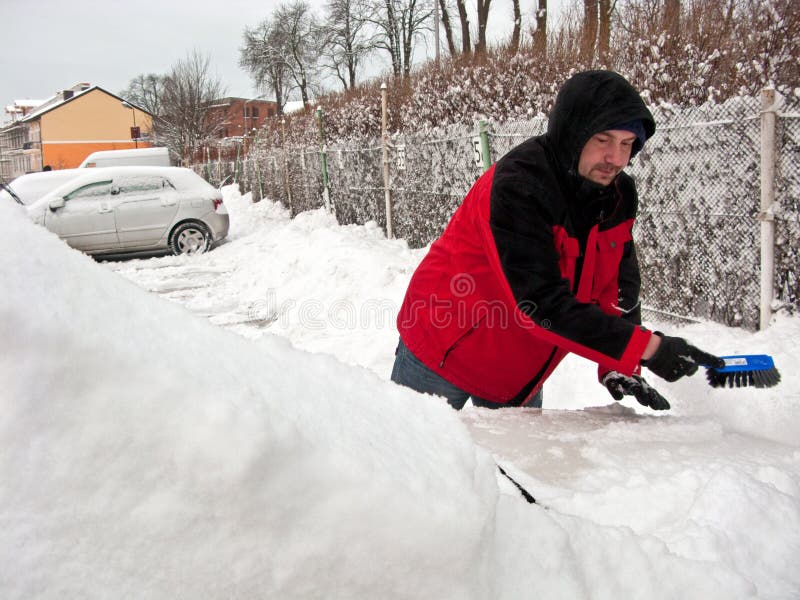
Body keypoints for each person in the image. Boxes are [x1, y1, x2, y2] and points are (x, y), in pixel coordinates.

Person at [391, 70, 724, 411]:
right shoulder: (518, 186)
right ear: (573, 134)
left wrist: (618, 363)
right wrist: (648, 348)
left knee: (514, 466)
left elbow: (618, 284)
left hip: (519, 366)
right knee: (418, 461)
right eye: (603, 140)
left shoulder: (618, 195)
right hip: (442, 346)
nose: (616, 158)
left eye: (627, 144)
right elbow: (540, 302)